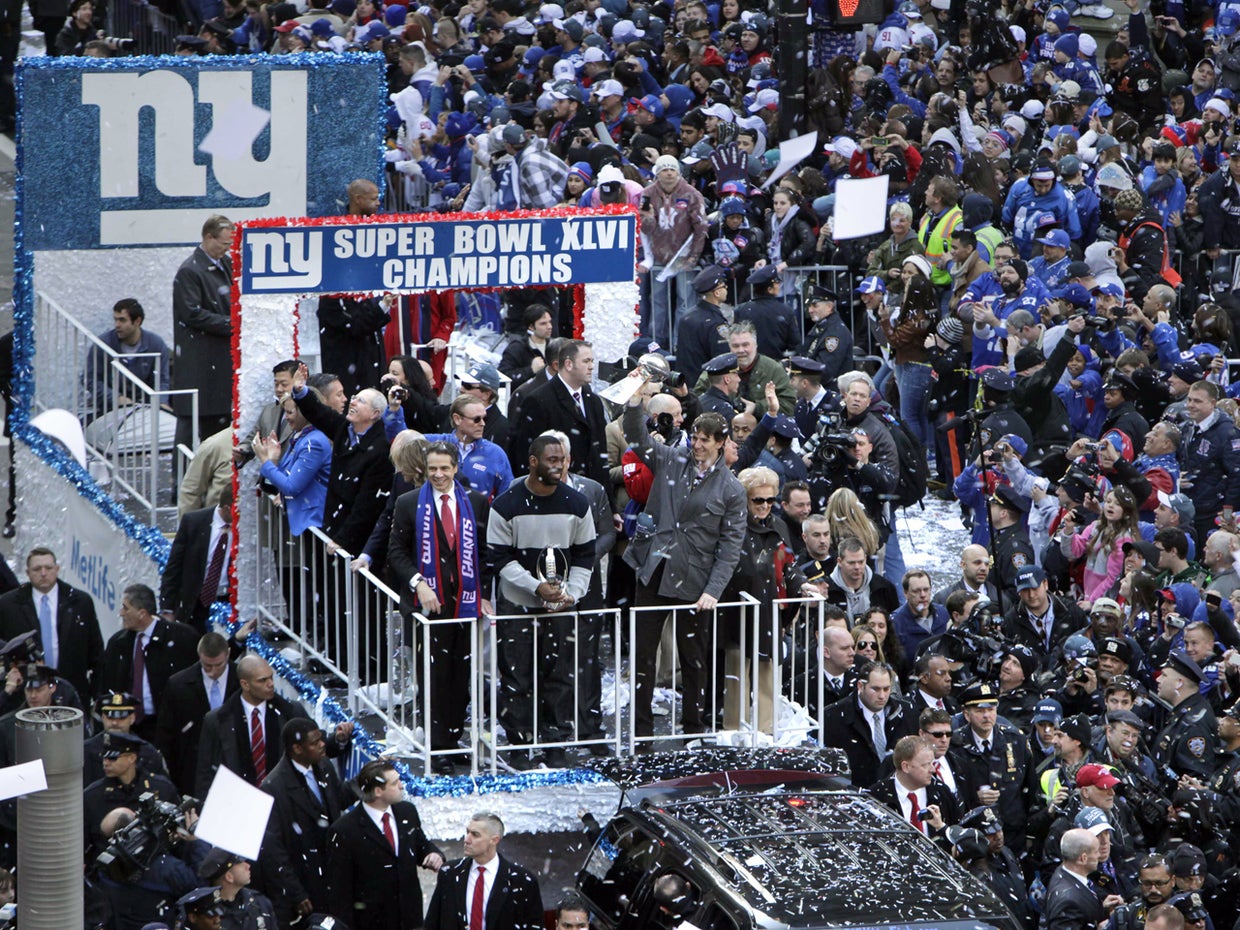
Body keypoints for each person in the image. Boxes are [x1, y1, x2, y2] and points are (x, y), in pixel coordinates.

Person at [622, 400, 745, 746]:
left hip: (695, 582)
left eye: (706, 439)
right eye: (695, 436)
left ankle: (694, 730)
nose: (698, 444)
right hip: (653, 570)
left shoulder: (732, 490)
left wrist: (713, 590)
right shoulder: (672, 460)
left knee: (693, 661)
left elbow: (730, 547)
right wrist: (635, 403)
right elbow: (636, 437)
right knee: (643, 657)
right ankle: (641, 735)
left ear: (721, 442)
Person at [487, 434, 596, 768]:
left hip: (562, 605)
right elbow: (500, 558)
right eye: (551, 460)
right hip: (517, 604)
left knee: (559, 674)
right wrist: (536, 587)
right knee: (517, 675)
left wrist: (572, 593)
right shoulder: (506, 505)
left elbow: (586, 555)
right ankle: (518, 743)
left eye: (562, 459)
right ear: (533, 462)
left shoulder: (577, 504)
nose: (559, 465)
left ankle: (555, 742)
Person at [387, 440, 492, 773]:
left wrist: (485, 593)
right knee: (434, 676)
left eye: (445, 468)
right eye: (433, 468)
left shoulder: (475, 503)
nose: (438, 475)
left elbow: (485, 554)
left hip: (465, 602)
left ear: (456, 468)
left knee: (461, 676)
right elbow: (397, 553)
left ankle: (452, 738)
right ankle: (437, 747)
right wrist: (419, 581)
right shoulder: (408, 503)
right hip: (426, 606)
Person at [195, 654, 352, 796]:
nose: (271, 684)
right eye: (262, 680)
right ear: (245, 684)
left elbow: (315, 746)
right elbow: (205, 773)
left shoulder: (290, 711)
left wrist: (339, 739)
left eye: (271, 677)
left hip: (283, 804)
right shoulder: (216, 720)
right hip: (238, 803)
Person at [326, 760, 443, 930]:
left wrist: (432, 853)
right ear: (378, 791)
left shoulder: (407, 811)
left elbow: (419, 843)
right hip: (371, 922)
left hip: (410, 920)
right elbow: (339, 892)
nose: (402, 786)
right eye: (395, 783)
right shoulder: (345, 830)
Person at [259, 718, 347, 928]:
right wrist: (295, 892)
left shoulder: (323, 766)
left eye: (321, 739)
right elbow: (274, 849)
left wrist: (368, 780)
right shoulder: (273, 787)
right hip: (306, 880)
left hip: (333, 874)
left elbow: (338, 798)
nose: (322, 744)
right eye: (315, 743)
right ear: (297, 749)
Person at [0, 545, 103, 702]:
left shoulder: (80, 602)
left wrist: (96, 696)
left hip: (71, 693)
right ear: (27, 572)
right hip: (26, 696)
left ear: (57, 569)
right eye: (37, 569)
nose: (43, 573)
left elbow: (96, 654)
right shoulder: (8, 605)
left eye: (48, 568)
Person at [100, 584, 199, 740]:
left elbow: (203, 668)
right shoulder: (118, 643)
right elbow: (107, 684)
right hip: (129, 726)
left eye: (126, 608)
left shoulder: (181, 638)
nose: (121, 613)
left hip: (166, 728)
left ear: (142, 613)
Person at [171, 215, 235, 449]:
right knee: (191, 425)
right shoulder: (190, 270)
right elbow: (192, 314)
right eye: (224, 244)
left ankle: (214, 480)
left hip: (218, 361)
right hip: (200, 363)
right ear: (208, 237)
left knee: (219, 427)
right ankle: (184, 483)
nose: (227, 249)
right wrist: (232, 324)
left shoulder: (226, 264)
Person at [423, 811, 544, 930]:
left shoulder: (522, 880)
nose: (467, 840)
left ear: (494, 840)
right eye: (467, 832)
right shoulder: (450, 873)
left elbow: (534, 924)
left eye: (475, 834)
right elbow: (432, 922)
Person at [512, 340, 609, 488]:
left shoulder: (593, 401)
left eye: (592, 361)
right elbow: (525, 456)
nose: (591, 366)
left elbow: (601, 454)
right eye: (586, 361)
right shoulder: (538, 401)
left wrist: (609, 505)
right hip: (553, 493)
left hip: (591, 494)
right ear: (569, 364)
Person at [153, 631, 237, 796]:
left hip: (234, 768)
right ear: (199, 656)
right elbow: (165, 734)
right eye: (207, 666)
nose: (213, 671)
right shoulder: (178, 684)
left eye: (219, 665)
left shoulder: (242, 679)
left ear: (228, 654)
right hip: (193, 771)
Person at [640, 154, 708, 350]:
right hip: (659, 255)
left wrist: (693, 255)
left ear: (678, 173)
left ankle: (681, 344)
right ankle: (656, 344)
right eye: (664, 169)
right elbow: (644, 228)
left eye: (672, 169)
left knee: (685, 301)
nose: (668, 173)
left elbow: (701, 227)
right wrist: (649, 218)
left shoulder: (691, 194)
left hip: (683, 256)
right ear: (657, 174)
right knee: (658, 302)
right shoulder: (647, 194)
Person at [820, 660, 916, 788]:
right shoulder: (832, 717)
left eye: (886, 689)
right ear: (860, 686)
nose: (882, 696)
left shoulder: (907, 712)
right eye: (875, 689)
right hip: (853, 792)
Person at [160, 485, 235, 633]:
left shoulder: (245, 529)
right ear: (227, 508)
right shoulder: (193, 522)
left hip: (226, 603)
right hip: (194, 603)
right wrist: (167, 608)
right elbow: (174, 567)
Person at [84, 298, 171, 419]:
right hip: (109, 411)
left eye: (122, 320)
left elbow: (162, 379)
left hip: (145, 410)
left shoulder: (155, 344)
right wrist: (116, 398)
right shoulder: (103, 345)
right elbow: (91, 380)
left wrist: (161, 401)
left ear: (137, 321)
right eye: (115, 319)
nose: (117, 325)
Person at [424, 394, 514, 500]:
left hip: (479, 515)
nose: (482, 424)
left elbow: (507, 496)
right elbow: (402, 441)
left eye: (484, 418)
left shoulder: (496, 454)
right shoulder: (431, 443)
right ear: (457, 419)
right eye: (476, 419)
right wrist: (398, 412)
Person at [867, 734, 958, 831]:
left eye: (932, 763)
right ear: (906, 767)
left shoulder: (942, 793)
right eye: (926, 765)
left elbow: (956, 836)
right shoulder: (875, 797)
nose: (933, 770)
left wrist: (942, 828)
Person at [1043, 828, 1125, 929]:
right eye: (1096, 852)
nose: (1099, 855)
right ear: (1083, 858)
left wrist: (1101, 908)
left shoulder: (1064, 870)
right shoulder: (1067, 903)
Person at [197, 848, 277, 930]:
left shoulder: (260, 902)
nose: (248, 866)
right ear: (229, 877)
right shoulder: (208, 918)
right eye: (240, 863)